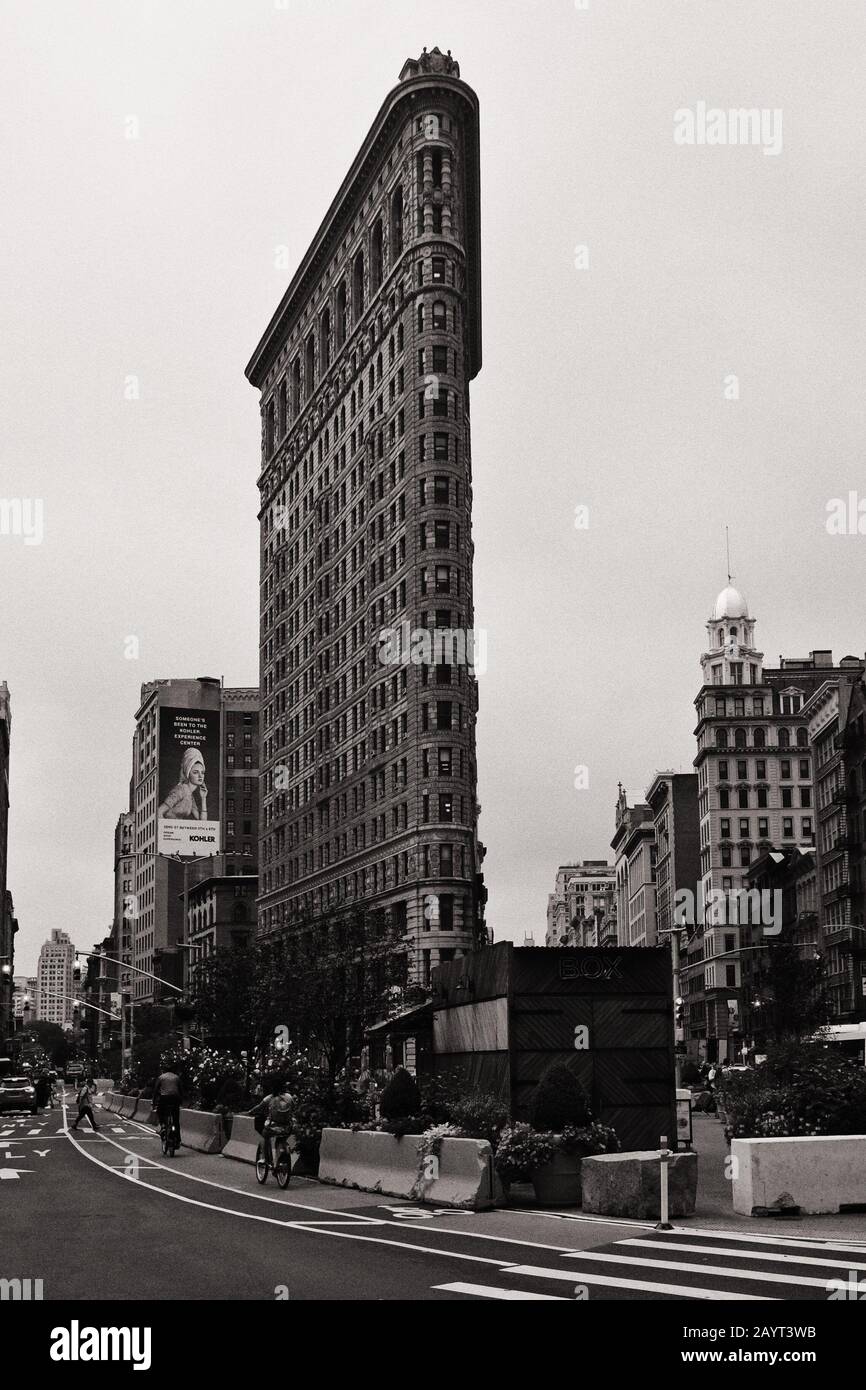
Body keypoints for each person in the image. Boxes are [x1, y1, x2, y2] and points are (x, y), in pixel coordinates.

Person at [158, 748, 208, 821]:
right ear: (188, 774)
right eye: (195, 772)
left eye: (202, 772)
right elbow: (159, 812)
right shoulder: (181, 790)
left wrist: (204, 798)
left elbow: (202, 823)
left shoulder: (190, 795)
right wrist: (167, 829)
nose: (200, 776)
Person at [153, 1066, 183, 1147]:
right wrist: (181, 1101)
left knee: (160, 1111)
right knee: (176, 1120)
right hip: (175, 1098)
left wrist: (154, 1102)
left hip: (164, 1098)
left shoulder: (161, 1077)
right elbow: (181, 1090)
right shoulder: (176, 1077)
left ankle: (163, 1125)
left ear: (164, 1071)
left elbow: (155, 1090)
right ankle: (178, 1139)